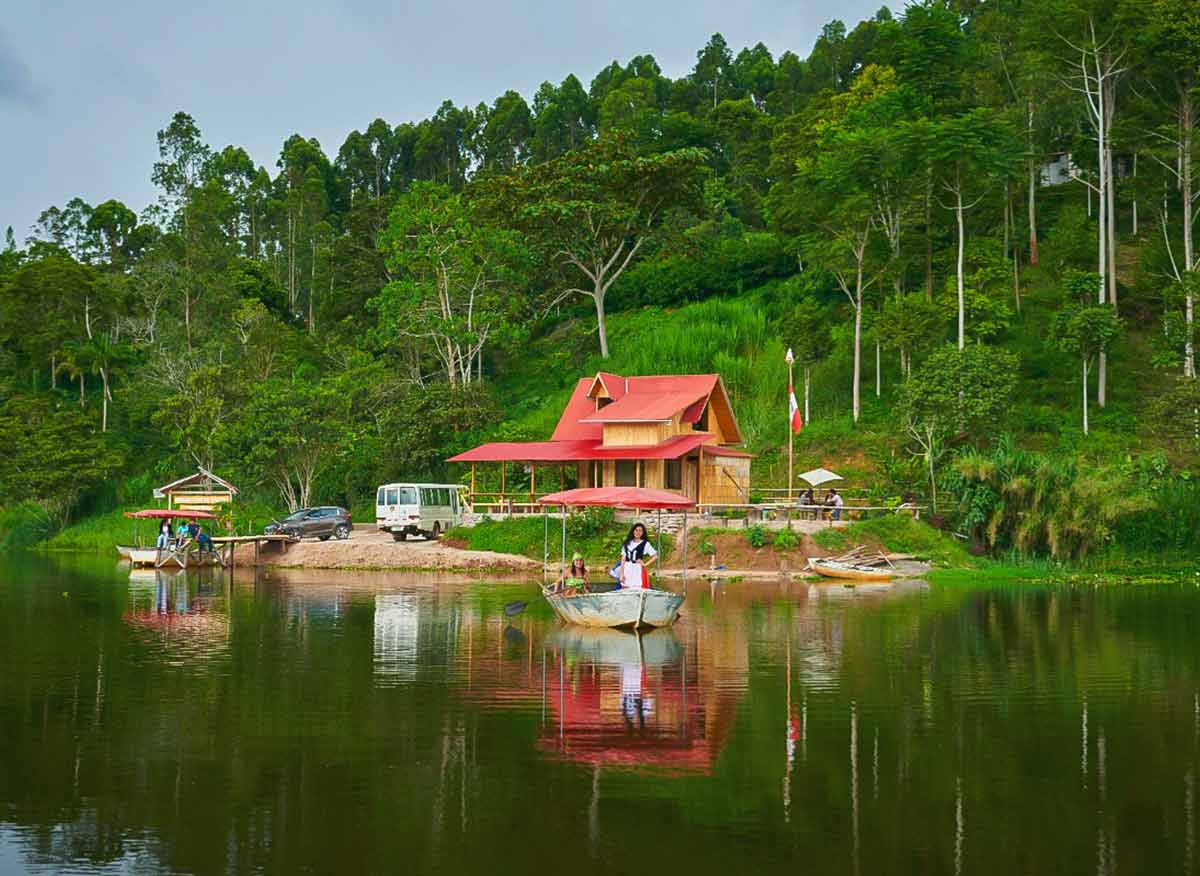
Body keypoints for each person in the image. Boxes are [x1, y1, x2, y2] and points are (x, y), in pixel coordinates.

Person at [618, 522, 657, 589]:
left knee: (637, 588)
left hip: (637, 569)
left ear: (642, 533)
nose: (638, 532)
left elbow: (655, 556)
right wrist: (621, 574)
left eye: (640, 531)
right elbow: (623, 559)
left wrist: (645, 564)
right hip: (627, 568)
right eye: (636, 530)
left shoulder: (645, 544)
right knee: (625, 587)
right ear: (633, 531)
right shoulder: (627, 543)